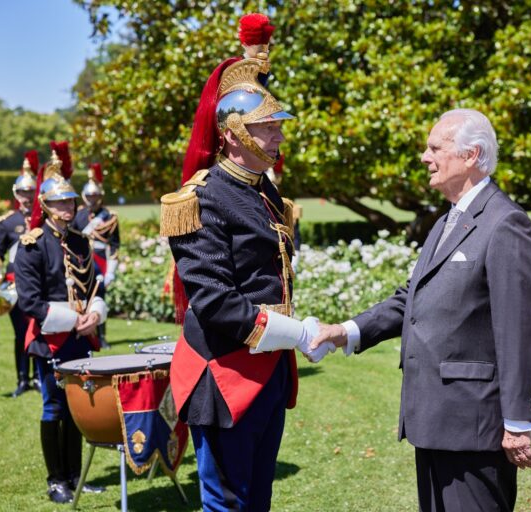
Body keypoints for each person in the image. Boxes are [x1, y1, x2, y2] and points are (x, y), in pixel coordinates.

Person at [311, 109, 531, 511]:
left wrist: (519, 423)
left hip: (475, 425)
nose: (425, 156)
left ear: (471, 155)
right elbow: (412, 299)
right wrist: (346, 331)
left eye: (435, 147)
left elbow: (521, 329)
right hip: (435, 419)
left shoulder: (505, 223)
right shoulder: (445, 222)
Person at [160, 13, 331, 512]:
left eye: (277, 126)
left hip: (268, 370)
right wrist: (298, 334)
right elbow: (214, 302)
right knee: (228, 503)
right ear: (233, 133)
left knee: (259, 499)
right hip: (225, 371)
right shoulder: (202, 198)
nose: (278, 137)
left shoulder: (264, 193)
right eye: (267, 127)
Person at [15, 141, 108, 504]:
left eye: (70, 201)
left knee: (78, 408)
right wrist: (76, 319)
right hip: (51, 338)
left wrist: (95, 314)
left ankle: (75, 476)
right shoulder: (32, 245)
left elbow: (95, 285)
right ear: (44, 205)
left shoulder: (81, 242)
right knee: (54, 406)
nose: (67, 207)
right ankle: (56, 479)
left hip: (80, 338)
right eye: (58, 202)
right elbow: (30, 302)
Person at [0, 151, 41, 396]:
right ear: (16, 194)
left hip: (39, 283)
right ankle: (21, 379)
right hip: (14, 284)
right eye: (23, 193)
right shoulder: (8, 223)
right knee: (19, 333)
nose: (27, 198)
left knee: (38, 331)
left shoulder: (43, 218)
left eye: (31, 193)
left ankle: (38, 377)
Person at [73, 162, 120, 348]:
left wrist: (111, 271)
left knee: (100, 298)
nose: (92, 199)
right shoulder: (78, 215)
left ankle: (102, 336)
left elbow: (114, 246)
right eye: (89, 196)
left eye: (95, 195)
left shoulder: (109, 216)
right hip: (82, 261)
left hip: (100, 261)